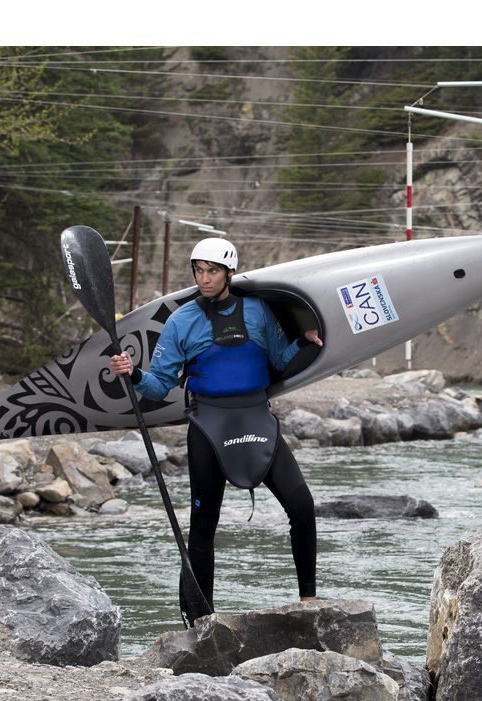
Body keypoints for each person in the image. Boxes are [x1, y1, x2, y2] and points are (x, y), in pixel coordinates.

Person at [110, 237, 323, 612]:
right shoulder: (181, 321)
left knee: (301, 505)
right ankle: (201, 619)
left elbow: (277, 360)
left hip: (257, 415)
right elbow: (160, 385)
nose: (204, 279)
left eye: (212, 271)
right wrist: (134, 374)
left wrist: (307, 343)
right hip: (209, 424)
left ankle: (309, 601)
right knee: (203, 526)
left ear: (229, 273)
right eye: (199, 271)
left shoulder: (257, 311)